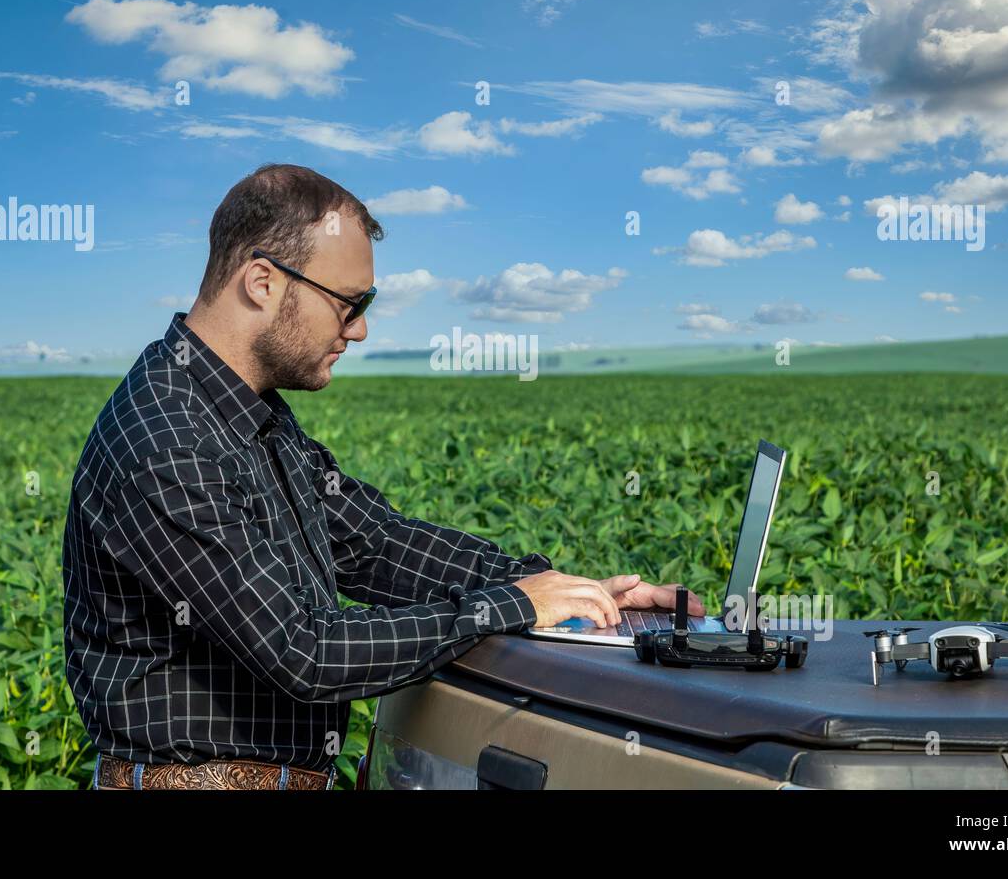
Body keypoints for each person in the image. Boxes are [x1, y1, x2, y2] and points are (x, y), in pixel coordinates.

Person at [62, 163, 704, 790]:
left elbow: (377, 542)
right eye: (349, 303)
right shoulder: (164, 437)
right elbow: (303, 649)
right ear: (262, 281)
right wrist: (510, 607)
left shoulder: (246, 415)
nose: (361, 329)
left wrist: (565, 591)